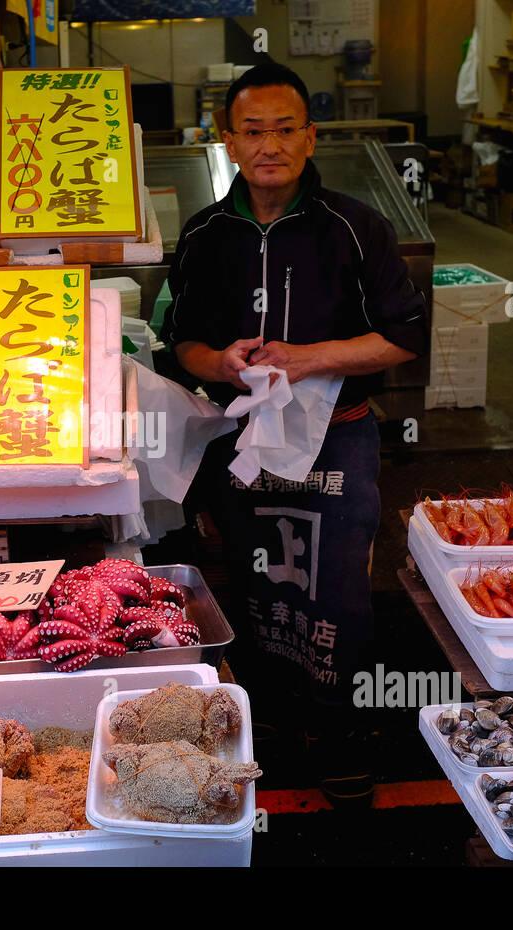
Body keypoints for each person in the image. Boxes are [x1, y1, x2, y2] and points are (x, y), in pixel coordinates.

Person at [161, 61, 427, 803]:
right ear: (227, 141)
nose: (269, 145)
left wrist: (312, 358)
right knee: (247, 583)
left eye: (285, 129)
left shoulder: (355, 226)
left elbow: (403, 335)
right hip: (240, 445)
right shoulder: (207, 233)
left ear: (311, 138)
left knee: (338, 590)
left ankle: (343, 731)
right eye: (253, 131)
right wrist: (219, 359)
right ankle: (267, 721)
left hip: (338, 438)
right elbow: (180, 341)